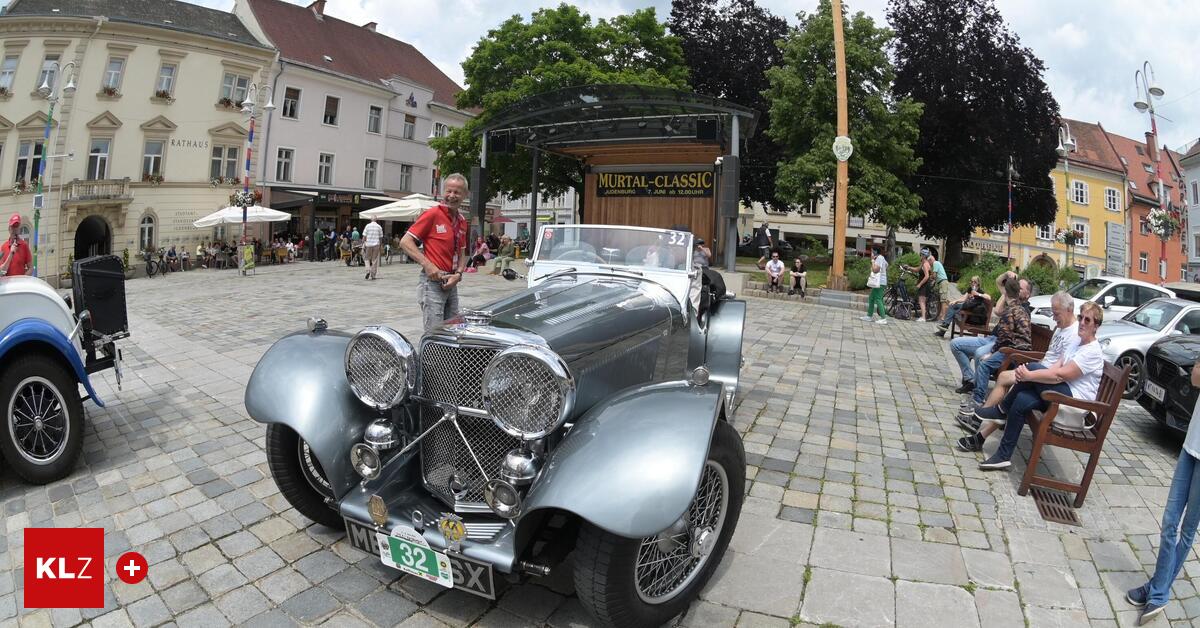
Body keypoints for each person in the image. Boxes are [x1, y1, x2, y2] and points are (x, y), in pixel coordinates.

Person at [973, 300, 1105, 470]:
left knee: (1034, 368)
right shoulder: (1077, 342)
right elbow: (1057, 366)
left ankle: (1001, 410)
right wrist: (1029, 375)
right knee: (1021, 399)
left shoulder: (1092, 351)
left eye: (1088, 320)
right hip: (1059, 395)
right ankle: (1003, 456)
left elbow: (1058, 376)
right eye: (1081, 317)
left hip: (1073, 406)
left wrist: (1029, 375)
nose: (1082, 322)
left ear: (1096, 326)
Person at [1127, 354, 1200, 624]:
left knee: (1188, 530)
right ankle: (1158, 589)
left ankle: (1156, 592)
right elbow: (1195, 377)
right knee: (1169, 521)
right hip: (1190, 447)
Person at [956, 290, 1079, 450]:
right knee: (1007, 382)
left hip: (1048, 383)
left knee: (1008, 383)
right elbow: (1049, 357)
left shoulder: (1074, 334)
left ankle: (979, 423)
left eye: (1056, 313)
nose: (1054, 317)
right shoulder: (1061, 327)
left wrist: (1031, 372)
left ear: (1069, 310)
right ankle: (981, 430)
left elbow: (1061, 370)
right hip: (1041, 373)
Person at [949, 273, 1031, 415]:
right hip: (1012, 348)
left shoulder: (1011, 311)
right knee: (966, 349)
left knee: (984, 362)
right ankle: (974, 388)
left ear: (1006, 293)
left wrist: (991, 352)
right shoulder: (1018, 308)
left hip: (1013, 351)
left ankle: (978, 401)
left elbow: (1005, 338)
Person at [401, 173, 470, 331]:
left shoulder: (462, 221)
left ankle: (448, 356)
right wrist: (428, 265)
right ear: (442, 192)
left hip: (451, 281)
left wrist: (458, 274)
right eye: (448, 191)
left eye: (457, 192)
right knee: (435, 330)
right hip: (432, 281)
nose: (451, 196)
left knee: (453, 328)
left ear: (465, 195)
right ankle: (432, 356)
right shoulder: (433, 214)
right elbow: (405, 242)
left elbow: (463, 252)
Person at [902, 249, 934, 322]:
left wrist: (919, 284)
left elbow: (926, 276)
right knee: (922, 301)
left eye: (921, 255)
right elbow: (917, 269)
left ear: (923, 256)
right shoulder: (923, 263)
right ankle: (923, 316)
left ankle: (923, 318)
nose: (920, 256)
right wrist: (909, 267)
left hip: (925, 284)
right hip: (925, 284)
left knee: (921, 301)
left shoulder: (925, 264)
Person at [862, 246, 888, 324]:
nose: (871, 253)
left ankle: (883, 318)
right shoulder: (881, 258)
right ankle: (869, 316)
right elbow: (887, 265)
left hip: (880, 282)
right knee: (871, 298)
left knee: (878, 299)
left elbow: (875, 270)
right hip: (880, 281)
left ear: (875, 251)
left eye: (872, 251)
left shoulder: (879, 258)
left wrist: (873, 261)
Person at [929, 248, 949, 321]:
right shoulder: (936, 263)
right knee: (940, 300)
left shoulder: (935, 263)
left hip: (943, 283)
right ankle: (939, 316)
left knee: (943, 301)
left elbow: (934, 275)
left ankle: (943, 317)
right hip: (941, 282)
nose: (930, 265)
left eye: (929, 263)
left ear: (931, 260)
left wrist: (929, 277)